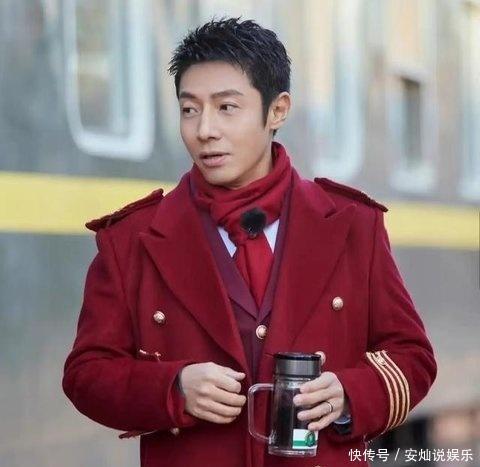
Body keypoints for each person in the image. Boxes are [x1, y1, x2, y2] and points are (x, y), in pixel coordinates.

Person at [62, 17, 437, 467]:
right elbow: (86, 374)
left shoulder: (354, 225)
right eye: (189, 109)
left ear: (277, 110)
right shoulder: (131, 239)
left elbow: (413, 357)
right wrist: (173, 387)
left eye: (226, 107)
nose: (204, 130)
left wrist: (348, 393)